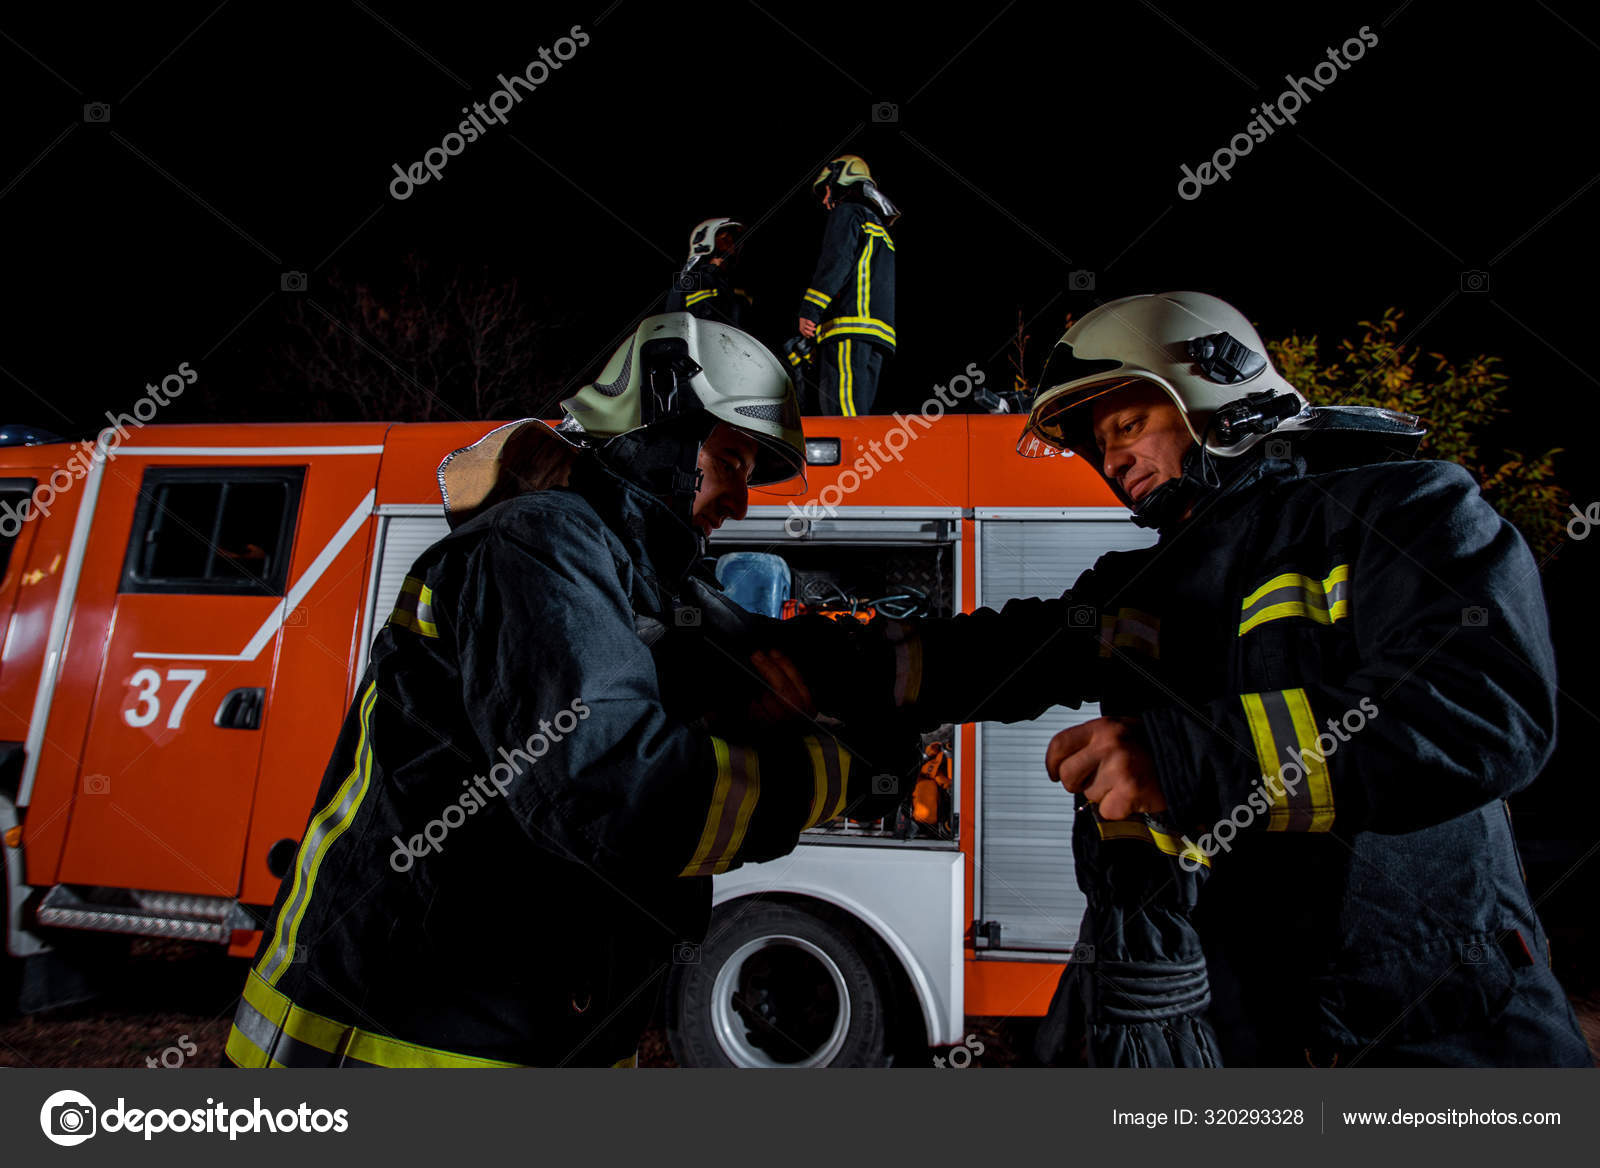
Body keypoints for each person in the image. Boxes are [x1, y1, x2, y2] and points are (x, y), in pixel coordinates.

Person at [805, 291, 1592, 1067]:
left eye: (1128, 424)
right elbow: (1005, 653)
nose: (1111, 461)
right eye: (1098, 444)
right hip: (1240, 1019)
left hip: (1436, 1017)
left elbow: (1484, 706)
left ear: (1219, 390)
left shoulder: (1407, 510)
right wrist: (807, 670)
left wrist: (1183, 760)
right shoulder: (1147, 584)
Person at [225, 313, 902, 1068]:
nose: (742, 501)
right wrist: (847, 768)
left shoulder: (639, 583)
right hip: (387, 1038)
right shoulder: (539, 545)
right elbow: (615, 793)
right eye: (733, 463)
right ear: (666, 430)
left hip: (553, 1034)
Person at [797, 155, 898, 416]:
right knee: (858, 415)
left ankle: (855, 460)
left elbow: (836, 263)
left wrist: (810, 310)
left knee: (843, 420)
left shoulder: (847, 212)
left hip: (848, 328)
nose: (824, 200)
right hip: (877, 335)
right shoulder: (878, 227)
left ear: (840, 181)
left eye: (826, 190)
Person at [667, 218, 751, 329]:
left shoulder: (727, 287)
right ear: (707, 245)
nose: (732, 249)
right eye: (725, 241)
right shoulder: (694, 283)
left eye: (734, 242)